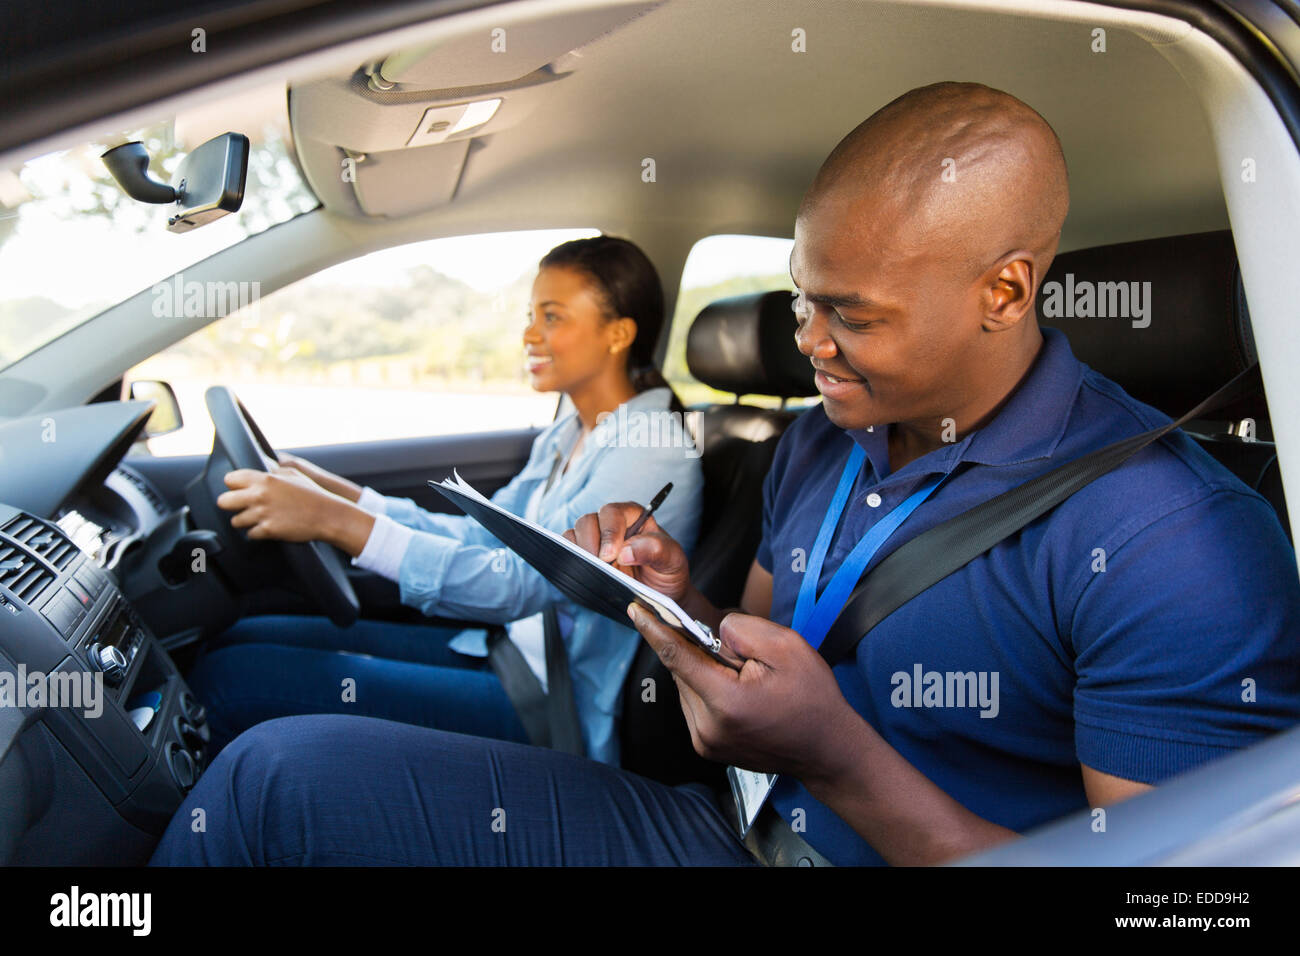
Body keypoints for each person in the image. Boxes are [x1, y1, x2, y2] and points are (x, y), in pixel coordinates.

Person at [151, 82, 1300, 867]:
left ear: (1002, 292)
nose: (807, 337)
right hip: (726, 826)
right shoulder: (816, 439)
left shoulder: (1173, 540)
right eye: (803, 296)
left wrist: (834, 753)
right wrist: (670, 595)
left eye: (851, 312)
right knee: (281, 775)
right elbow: (747, 638)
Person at [183, 235, 703, 766]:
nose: (528, 333)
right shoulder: (570, 432)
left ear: (618, 333)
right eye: (530, 315)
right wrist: (340, 494)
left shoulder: (651, 448)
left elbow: (518, 584)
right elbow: (485, 536)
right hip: (500, 652)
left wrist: (334, 522)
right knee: (244, 637)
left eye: (552, 317)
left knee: (231, 684)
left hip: (552, 707)